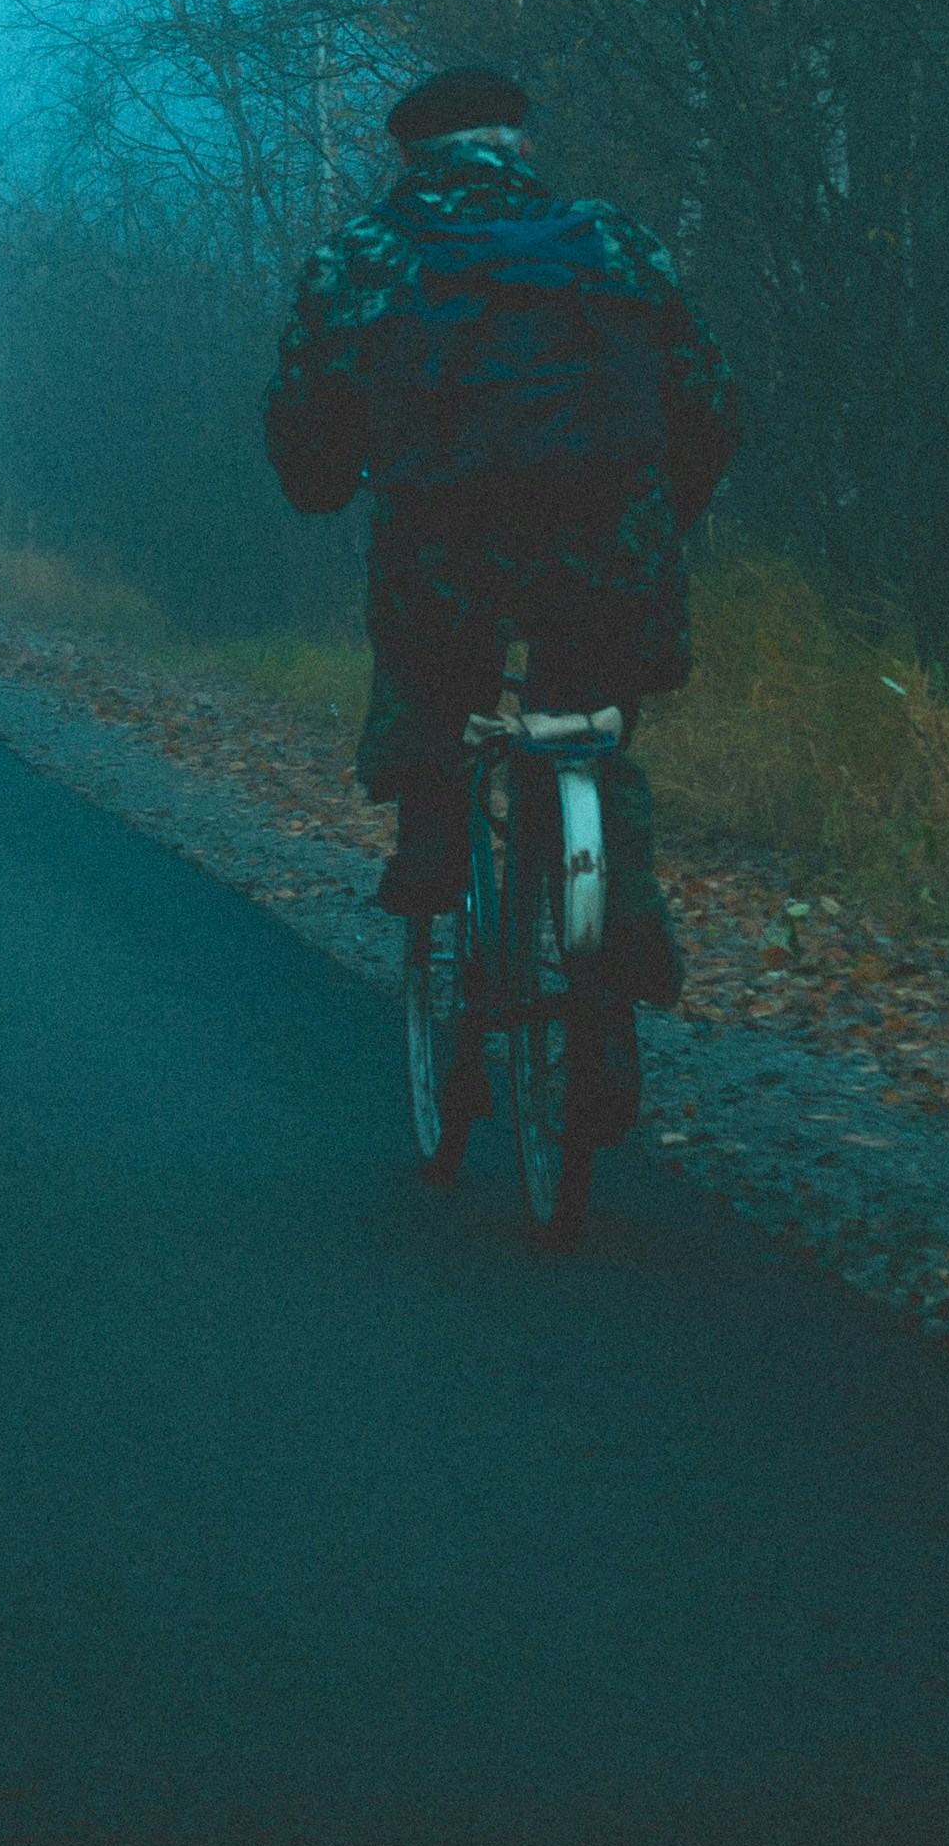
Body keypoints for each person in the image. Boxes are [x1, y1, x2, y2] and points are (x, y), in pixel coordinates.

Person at [264, 66, 738, 1154]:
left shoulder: (362, 256)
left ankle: (431, 833)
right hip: (608, 559)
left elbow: (307, 444)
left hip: (447, 566)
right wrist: (655, 517)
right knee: (594, 730)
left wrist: (340, 477)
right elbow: (708, 404)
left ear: (412, 156)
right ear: (517, 147)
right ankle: (613, 937)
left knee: (431, 673)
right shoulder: (612, 243)